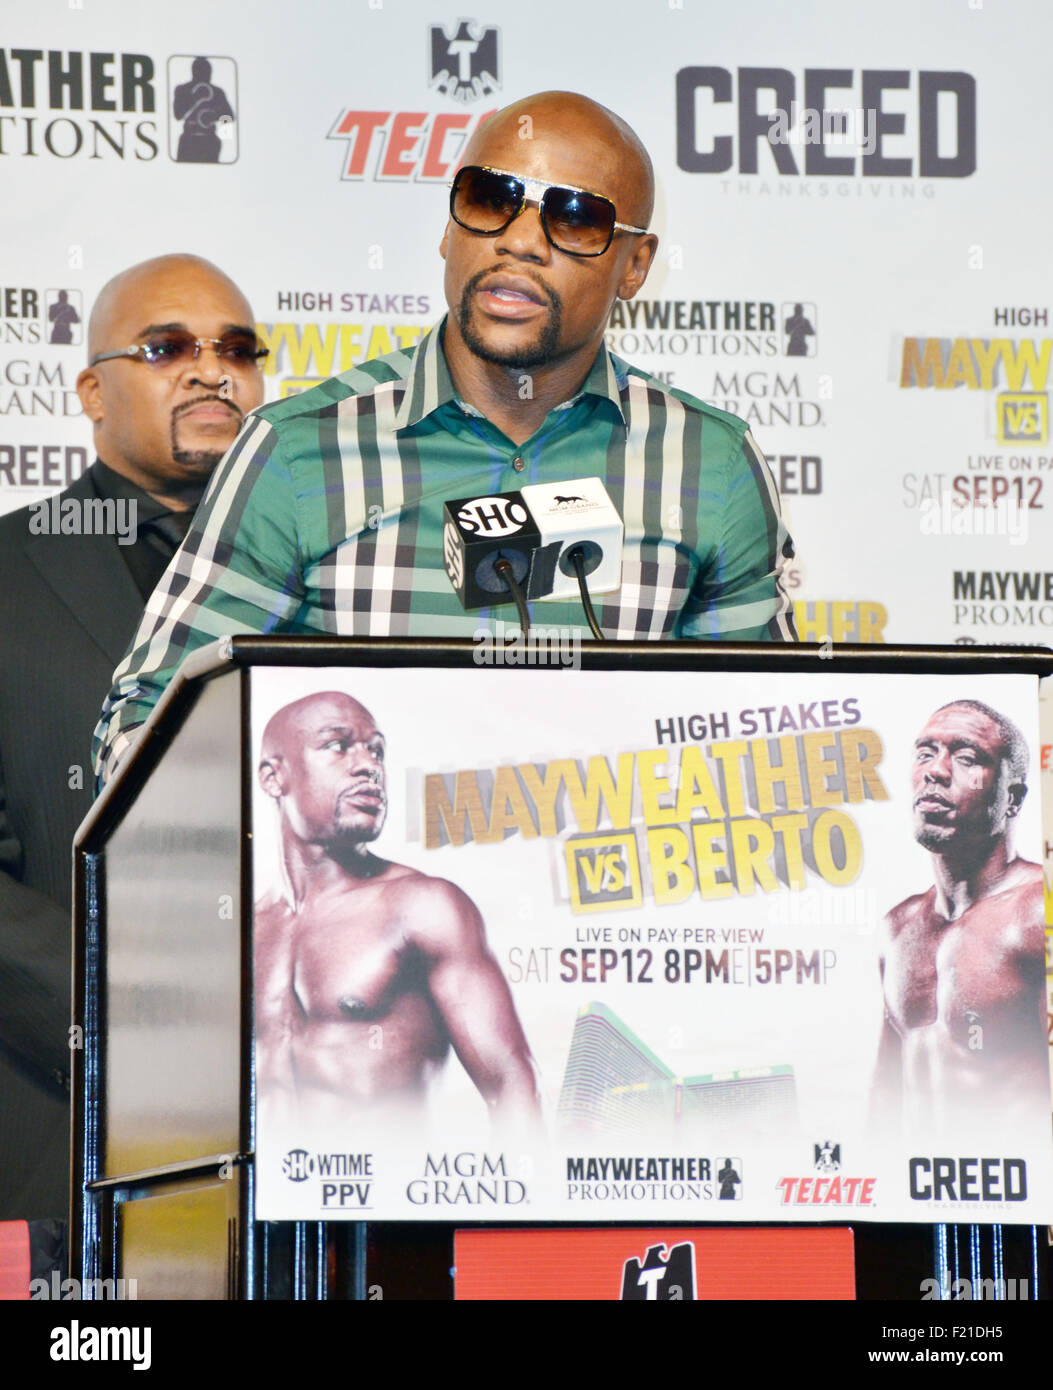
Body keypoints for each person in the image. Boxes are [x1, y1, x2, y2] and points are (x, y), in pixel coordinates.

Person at [93, 90, 796, 786]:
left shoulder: (711, 466)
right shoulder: (301, 451)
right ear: (448, 229)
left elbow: (766, 753)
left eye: (575, 218)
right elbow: (141, 737)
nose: (519, 241)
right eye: (491, 199)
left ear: (635, 266)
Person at [0, 254, 264, 1238]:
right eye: (169, 347)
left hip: (309, 1165)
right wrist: (132, 1020)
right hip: (55, 1138)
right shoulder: (6, 576)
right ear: (91, 390)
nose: (212, 370)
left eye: (237, 348)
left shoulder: (323, 590)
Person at [254, 690, 539, 1130]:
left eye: (377, 750)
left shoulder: (422, 906)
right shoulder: (244, 935)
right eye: (338, 745)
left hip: (390, 1191)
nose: (369, 765)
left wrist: (526, 1195)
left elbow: (511, 1085)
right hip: (261, 1197)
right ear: (274, 777)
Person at [870, 700, 1047, 1136]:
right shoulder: (899, 928)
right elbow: (886, 1098)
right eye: (925, 753)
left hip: (1021, 1191)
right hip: (918, 1192)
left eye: (967, 758)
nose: (936, 771)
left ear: (1013, 798)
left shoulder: (1038, 912)